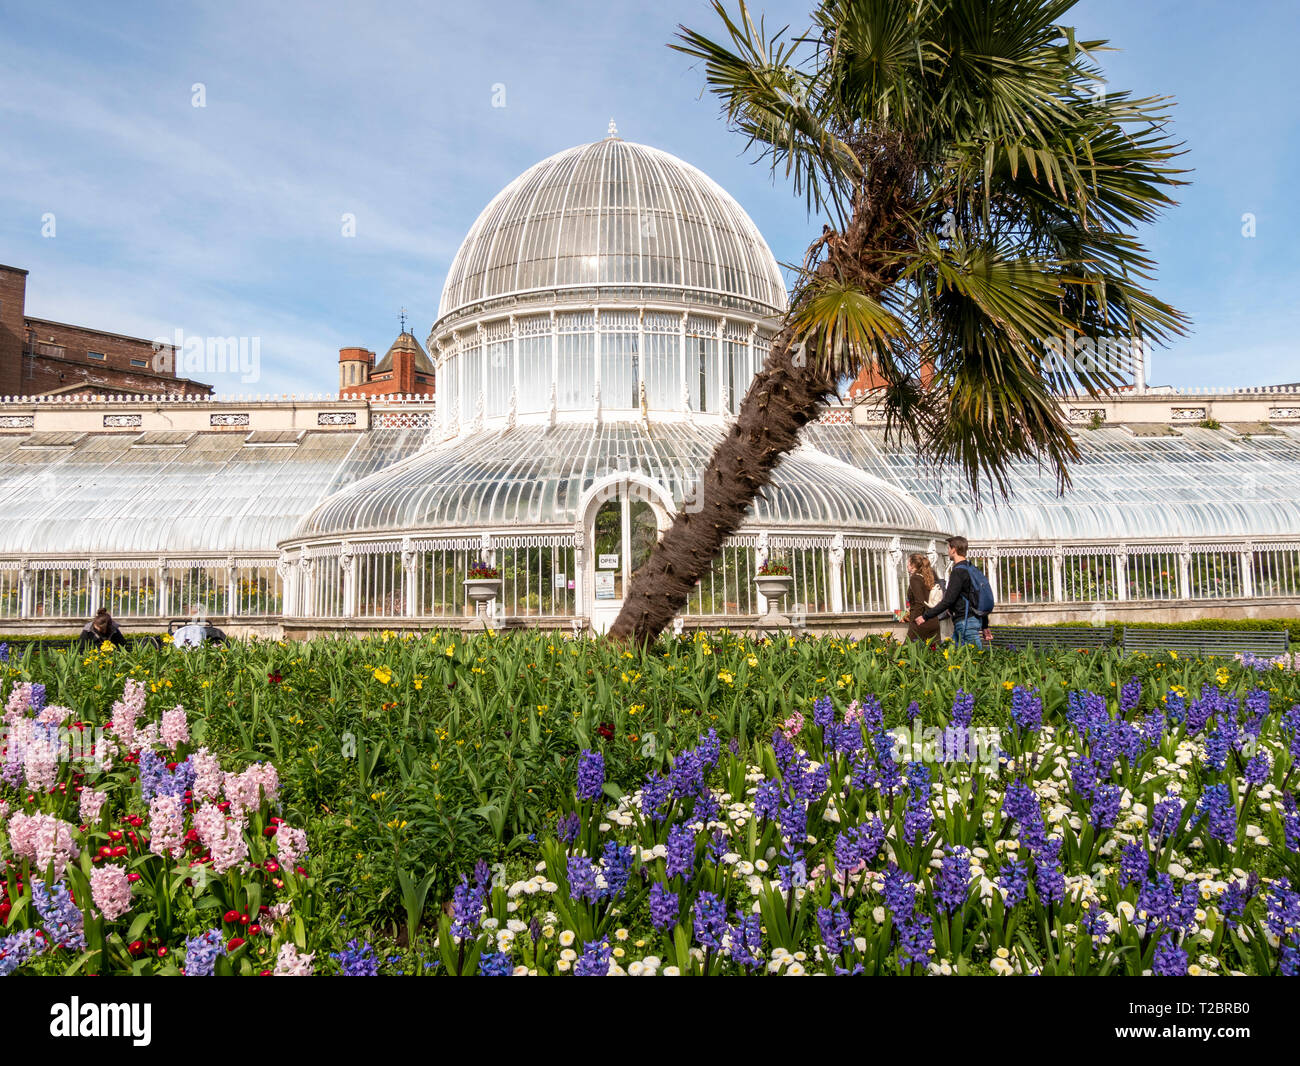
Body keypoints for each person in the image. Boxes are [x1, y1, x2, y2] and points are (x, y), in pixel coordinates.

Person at [920, 536, 993, 649]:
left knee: (977, 658)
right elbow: (979, 598)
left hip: (965, 622)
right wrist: (984, 625)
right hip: (971, 620)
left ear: (954, 550)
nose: (948, 551)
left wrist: (925, 616)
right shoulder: (972, 568)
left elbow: (948, 600)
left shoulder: (958, 571)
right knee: (954, 657)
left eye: (948, 548)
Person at [903, 553, 942, 645]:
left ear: (913, 565)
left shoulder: (915, 578)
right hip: (933, 620)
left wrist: (915, 619)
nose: (907, 565)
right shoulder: (929, 576)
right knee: (934, 654)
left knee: (907, 652)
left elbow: (919, 602)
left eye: (908, 563)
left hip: (920, 621)